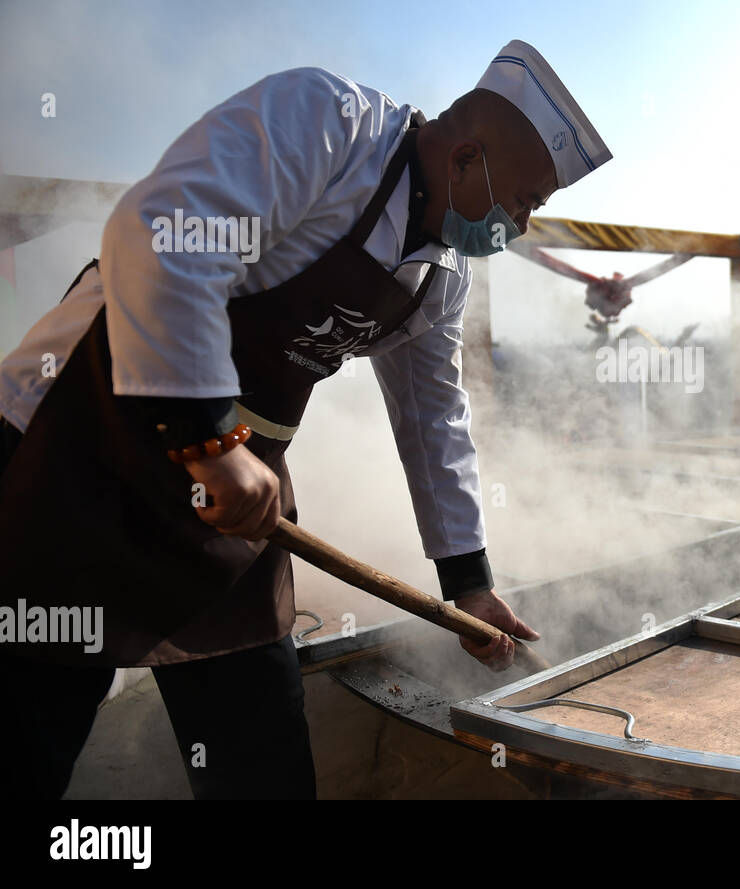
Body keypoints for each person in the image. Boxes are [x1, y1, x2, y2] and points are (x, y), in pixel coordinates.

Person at [0, 40, 612, 799]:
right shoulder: (328, 123)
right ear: (465, 158)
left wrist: (468, 581)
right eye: (525, 200)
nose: (520, 225)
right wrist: (206, 436)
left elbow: (434, 416)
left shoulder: (443, 278)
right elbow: (160, 231)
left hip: (233, 499)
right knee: (33, 721)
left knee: (260, 753)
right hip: (86, 447)